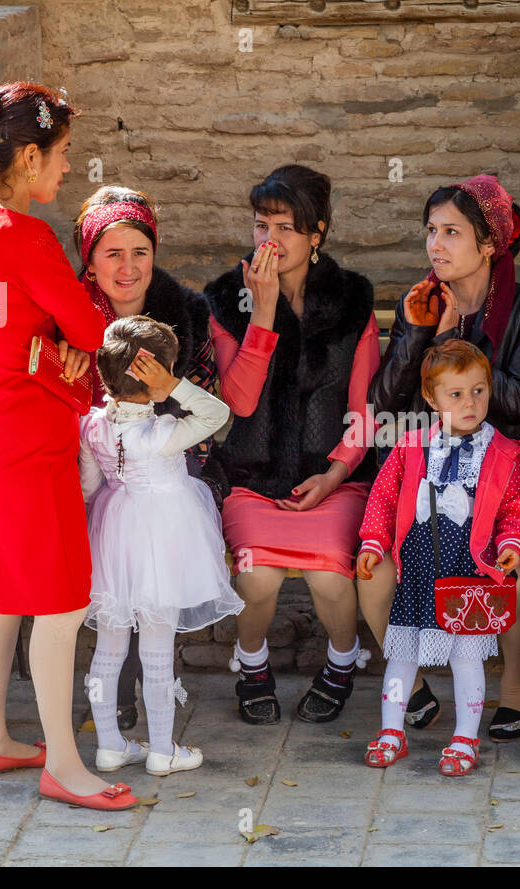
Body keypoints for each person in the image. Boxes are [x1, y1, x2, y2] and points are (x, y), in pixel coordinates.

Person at [0, 74, 134, 810]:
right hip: (31, 443)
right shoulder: (24, 236)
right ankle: (65, 765)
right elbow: (95, 330)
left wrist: (47, 341)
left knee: (1, 593)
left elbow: (6, 326)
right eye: (58, 157)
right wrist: (65, 339)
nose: (63, 171)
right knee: (60, 601)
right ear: (24, 157)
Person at [361, 174, 520, 740]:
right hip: (425, 469)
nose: (435, 246)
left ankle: (514, 689)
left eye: (451, 233)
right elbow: (383, 405)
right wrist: (420, 336)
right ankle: (411, 680)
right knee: (371, 567)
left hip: (506, 471)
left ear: (489, 245)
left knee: (514, 564)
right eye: (431, 232)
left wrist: (457, 349)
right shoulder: (420, 303)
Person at [203, 164, 380, 725]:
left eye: (285, 228)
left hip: (334, 477)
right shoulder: (226, 298)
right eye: (261, 226)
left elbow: (364, 411)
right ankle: (251, 662)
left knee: (331, 577)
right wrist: (263, 312)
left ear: (317, 234)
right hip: (253, 478)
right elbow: (238, 404)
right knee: (255, 576)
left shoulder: (351, 300)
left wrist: (333, 474)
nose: (269, 241)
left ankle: (341, 662)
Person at [74, 185, 224, 731]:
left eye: (140, 251)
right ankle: (129, 711)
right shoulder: (70, 318)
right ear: (90, 264)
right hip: (100, 469)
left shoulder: (187, 314)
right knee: (119, 581)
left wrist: (165, 392)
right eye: (113, 253)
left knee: (150, 579)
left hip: (175, 466)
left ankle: (135, 701)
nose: (128, 266)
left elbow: (207, 411)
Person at [357, 340, 520, 775]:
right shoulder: (411, 447)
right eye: (456, 394)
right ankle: (390, 731)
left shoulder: (505, 455)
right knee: (402, 653)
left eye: (479, 390)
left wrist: (512, 544)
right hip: (417, 572)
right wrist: (372, 543)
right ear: (431, 398)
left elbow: (517, 508)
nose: (471, 402)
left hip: (467, 575)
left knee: (465, 656)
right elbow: (382, 500)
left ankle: (464, 738)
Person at [79, 317, 243, 775]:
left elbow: (89, 490)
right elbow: (216, 414)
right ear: (159, 375)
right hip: (166, 540)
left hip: (114, 535)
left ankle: (109, 746)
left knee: (109, 646)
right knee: (155, 648)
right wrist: (174, 386)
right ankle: (162, 751)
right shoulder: (165, 431)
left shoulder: (91, 428)